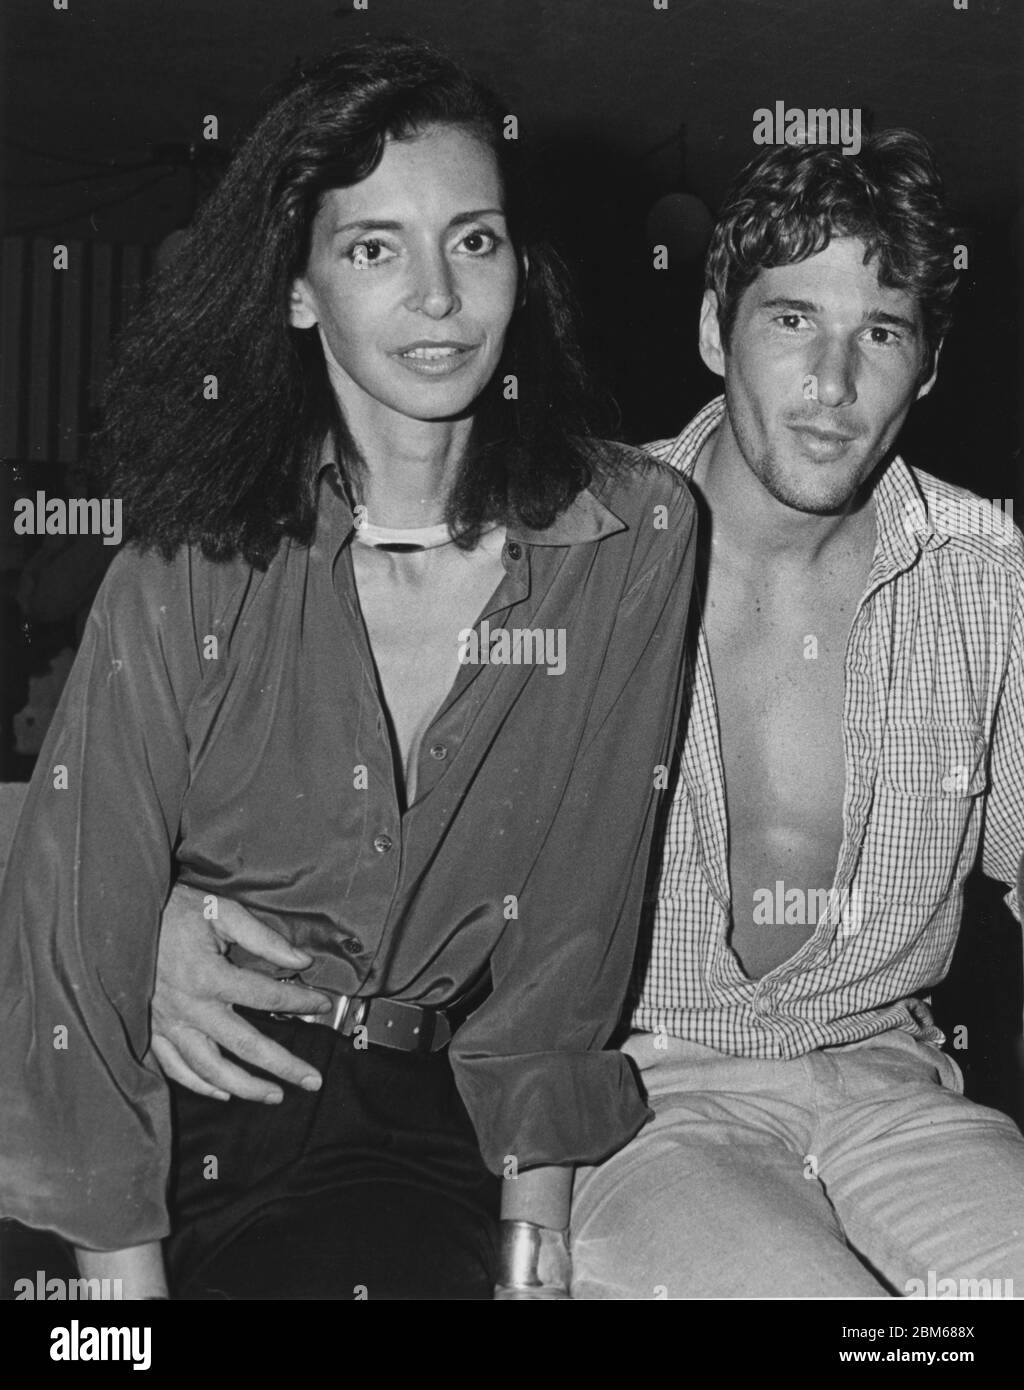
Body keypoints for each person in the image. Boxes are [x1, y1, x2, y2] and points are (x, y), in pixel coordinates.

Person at [0, 38, 698, 1301]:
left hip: (419, 1131)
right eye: (374, 247)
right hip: (165, 1114)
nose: (439, 296)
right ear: (297, 289)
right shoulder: (187, 557)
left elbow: (569, 947)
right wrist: (118, 1301)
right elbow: (72, 925)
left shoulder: (630, 536)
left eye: (473, 241)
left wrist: (532, 1260)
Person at [568, 130, 1024, 1298]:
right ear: (717, 332)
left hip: (893, 1084)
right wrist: (178, 913)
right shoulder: (573, 551)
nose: (832, 381)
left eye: (879, 331)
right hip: (645, 1095)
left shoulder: (984, 570)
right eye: (790, 321)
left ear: (924, 367)